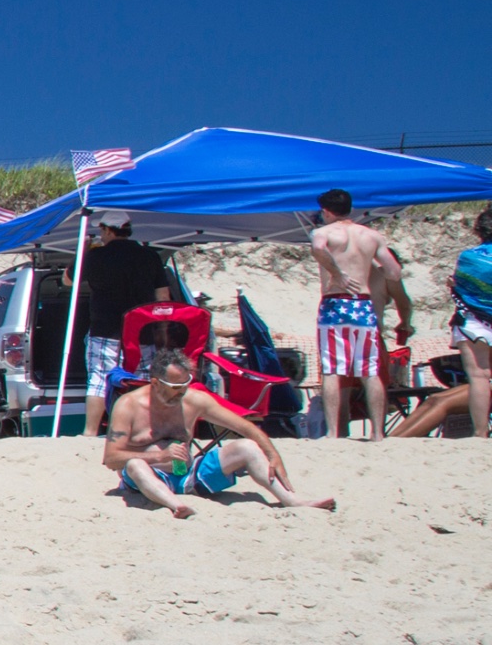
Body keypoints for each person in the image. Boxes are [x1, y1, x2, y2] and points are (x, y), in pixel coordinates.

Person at [101, 347, 334, 517]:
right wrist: (159, 456)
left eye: (186, 384)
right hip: (149, 479)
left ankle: (291, 500)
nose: (181, 392)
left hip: (190, 475)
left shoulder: (194, 400)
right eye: (175, 387)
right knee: (135, 464)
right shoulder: (129, 406)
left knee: (247, 447)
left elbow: (245, 427)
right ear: (155, 383)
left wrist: (273, 455)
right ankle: (176, 506)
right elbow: (111, 458)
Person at [311, 189, 405, 439]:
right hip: (362, 304)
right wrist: (368, 266)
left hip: (334, 303)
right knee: (369, 370)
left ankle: (333, 433)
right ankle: (378, 433)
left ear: (326, 211)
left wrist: (338, 273)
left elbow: (318, 249)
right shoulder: (371, 236)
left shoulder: (323, 232)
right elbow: (394, 272)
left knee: (332, 369)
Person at [76, 215, 179, 437]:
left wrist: (83, 252)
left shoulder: (96, 256)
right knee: (141, 379)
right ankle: (141, 429)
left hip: (105, 329)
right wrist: (161, 330)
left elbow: (69, 280)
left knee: (99, 378)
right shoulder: (150, 256)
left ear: (109, 230)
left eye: (101, 231)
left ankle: (90, 431)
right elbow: (162, 296)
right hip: (142, 331)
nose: (101, 235)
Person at [450, 205, 492, 440]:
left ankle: (480, 432)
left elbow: (462, 287)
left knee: (478, 376)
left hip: (473, 322)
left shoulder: (468, 257)